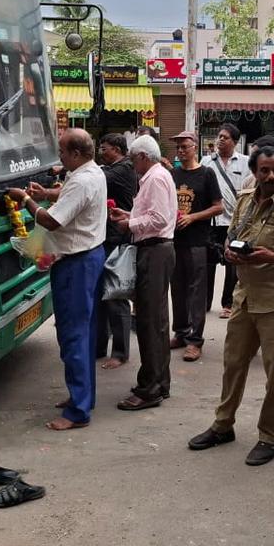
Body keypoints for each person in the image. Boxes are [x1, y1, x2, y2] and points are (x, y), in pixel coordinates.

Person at [187, 145, 274, 466]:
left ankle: (270, 436)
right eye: (265, 170)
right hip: (245, 298)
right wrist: (230, 252)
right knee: (233, 365)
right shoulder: (246, 199)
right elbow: (232, 235)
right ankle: (223, 425)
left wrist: (273, 257)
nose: (272, 176)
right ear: (255, 172)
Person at [6, 129, 107, 431]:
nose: (59, 157)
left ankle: (78, 410)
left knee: (73, 335)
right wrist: (47, 195)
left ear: (76, 154)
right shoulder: (92, 173)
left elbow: (51, 220)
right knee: (83, 333)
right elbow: (69, 200)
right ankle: (83, 397)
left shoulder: (82, 180)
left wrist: (25, 199)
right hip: (87, 258)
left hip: (76, 264)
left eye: (62, 151)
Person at [109, 135, 178, 410]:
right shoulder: (154, 176)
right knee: (155, 321)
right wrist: (130, 216)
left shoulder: (155, 177)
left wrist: (131, 224)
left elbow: (159, 218)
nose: (131, 164)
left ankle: (150, 388)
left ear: (142, 157)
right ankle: (158, 382)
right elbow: (153, 214)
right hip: (153, 249)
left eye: (133, 158)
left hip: (155, 250)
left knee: (151, 322)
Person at [169, 131, 223, 362]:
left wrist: (193, 217)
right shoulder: (172, 174)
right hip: (174, 241)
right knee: (177, 289)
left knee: (196, 292)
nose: (181, 151)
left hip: (198, 241)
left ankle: (195, 340)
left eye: (185, 147)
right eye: (178, 148)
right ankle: (180, 332)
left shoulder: (206, 174)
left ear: (195, 147)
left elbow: (218, 207)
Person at [97, 133, 139, 369]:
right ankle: (100, 346)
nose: (101, 151)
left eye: (104, 148)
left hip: (118, 241)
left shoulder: (122, 169)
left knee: (115, 296)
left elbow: (97, 177)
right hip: (106, 239)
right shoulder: (113, 167)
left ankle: (121, 352)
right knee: (101, 296)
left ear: (116, 149)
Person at [202, 123, 251, 319]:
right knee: (207, 264)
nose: (221, 140)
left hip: (234, 222)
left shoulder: (246, 163)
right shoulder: (206, 161)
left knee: (232, 265)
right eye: (219, 136)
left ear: (235, 142)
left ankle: (228, 304)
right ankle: (204, 303)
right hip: (211, 221)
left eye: (226, 137)